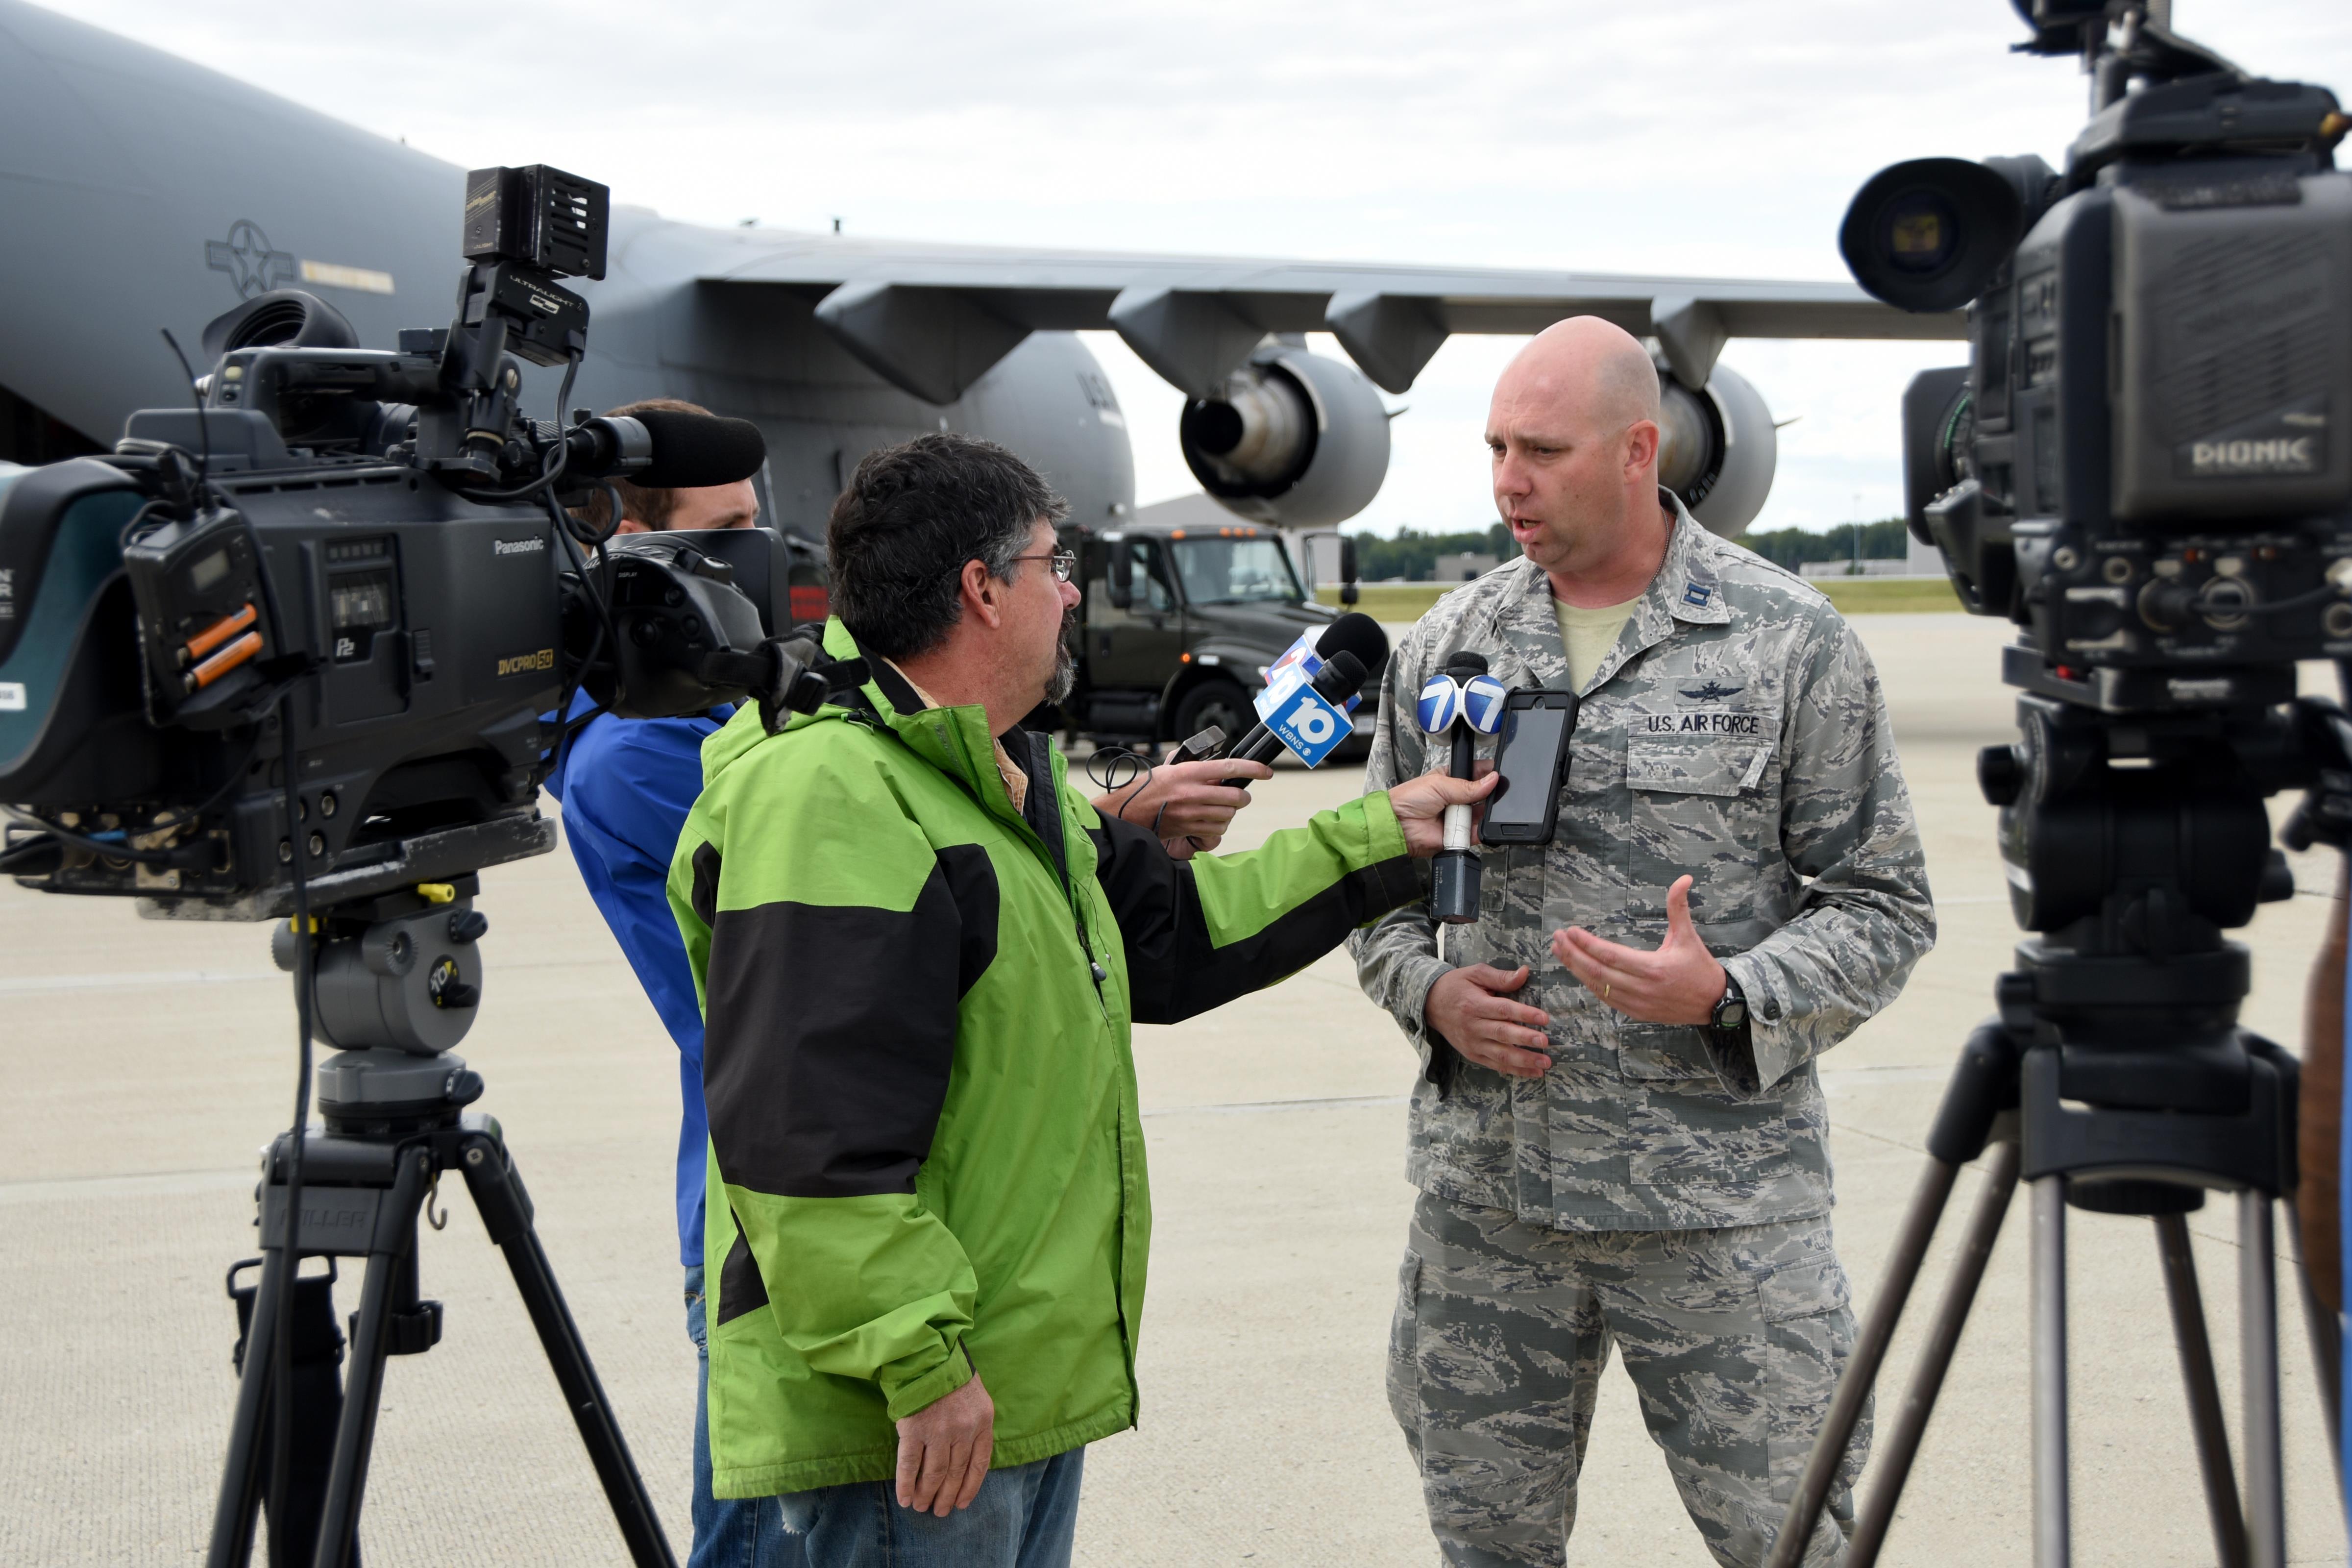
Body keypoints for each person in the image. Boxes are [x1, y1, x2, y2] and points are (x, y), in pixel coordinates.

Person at [669, 431, 1493, 1568]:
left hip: (1004, 1392)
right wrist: (921, 1364)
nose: (1068, 592)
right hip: (905, 1428)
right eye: (1053, 564)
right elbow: (807, 1134)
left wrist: (1377, 835)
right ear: (982, 589)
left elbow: (1175, 940)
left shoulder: (996, 773)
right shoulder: (828, 789)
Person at [550, 411, 1284, 1567]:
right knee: (759, 1549)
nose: (760, 561)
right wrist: (915, 1350)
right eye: (728, 532)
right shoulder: (727, 762)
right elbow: (827, 1039)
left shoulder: (854, 739)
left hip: (900, 1234)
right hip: (822, 1239)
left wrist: (1076, 826)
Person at [1352, 317, 1936, 1568]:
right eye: (1497, 445)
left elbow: (1887, 905)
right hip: (1490, 1206)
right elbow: (1375, 899)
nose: (1509, 478)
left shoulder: (1789, 641)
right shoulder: (1448, 649)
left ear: (1636, 450)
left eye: (1544, 449)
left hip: (1716, 1206)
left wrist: (1731, 988)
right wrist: (1433, 995)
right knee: (1488, 1546)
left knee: (1796, 1544)